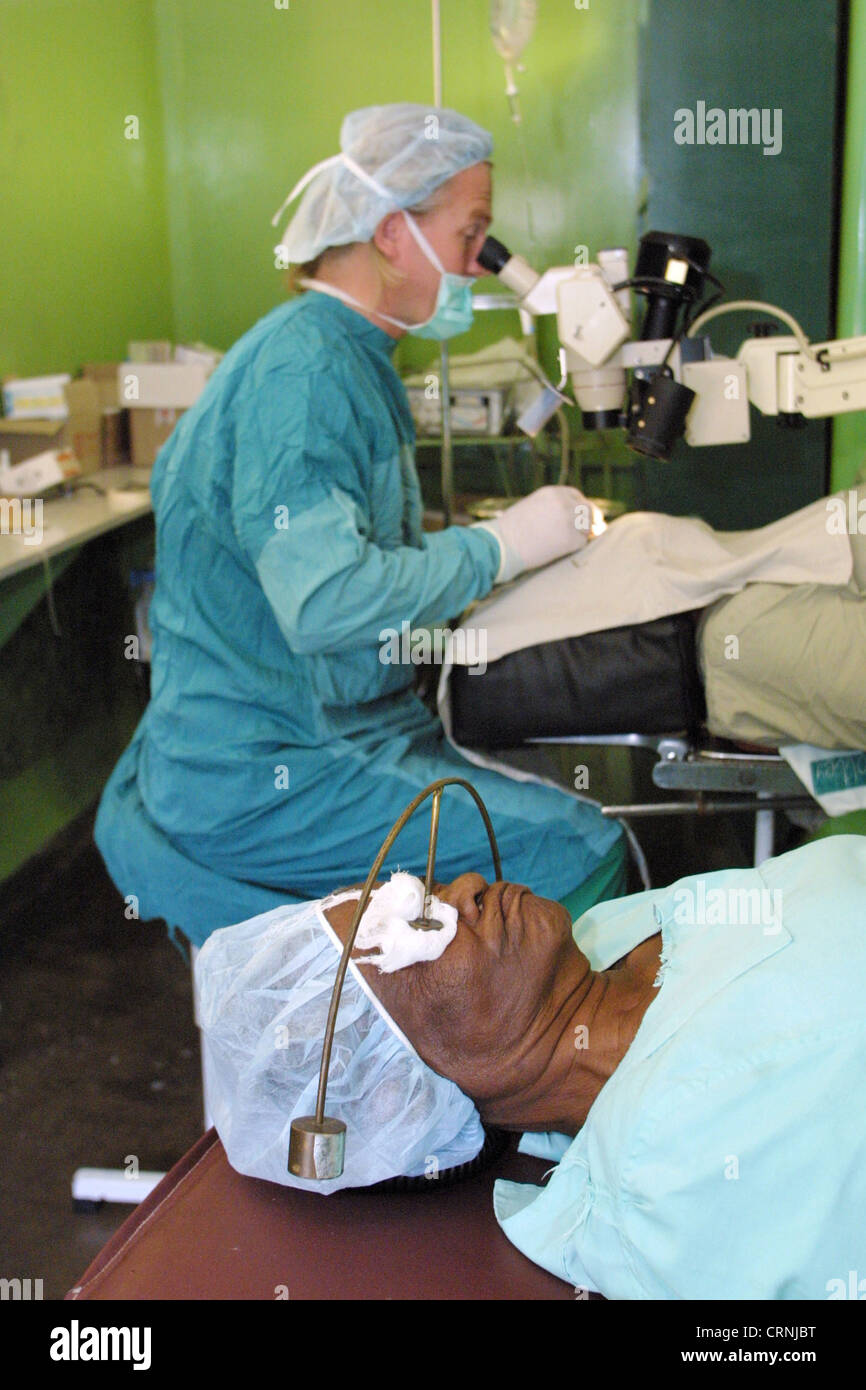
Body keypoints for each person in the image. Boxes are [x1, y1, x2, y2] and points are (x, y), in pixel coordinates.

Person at [94, 103, 624, 948]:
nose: (483, 268)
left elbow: (348, 544)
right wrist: (499, 547)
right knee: (578, 845)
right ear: (389, 234)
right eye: (472, 236)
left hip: (328, 725)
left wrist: (486, 557)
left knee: (544, 790)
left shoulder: (350, 357)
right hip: (266, 766)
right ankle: (521, 1073)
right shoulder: (303, 372)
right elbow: (329, 598)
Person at [196, 833, 866, 1300]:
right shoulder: (668, 1170)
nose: (467, 886)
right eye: (415, 930)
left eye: (422, 890)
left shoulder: (611, 933)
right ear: (398, 1088)